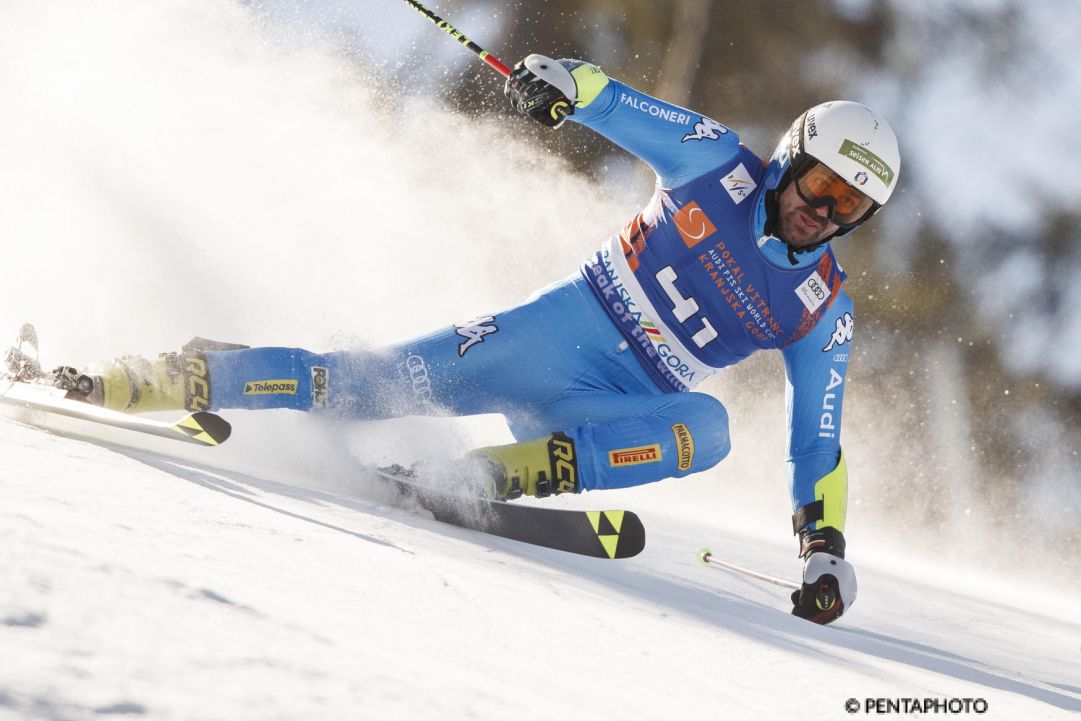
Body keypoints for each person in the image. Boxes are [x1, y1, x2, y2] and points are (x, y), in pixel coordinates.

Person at [52, 55, 900, 625]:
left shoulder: (821, 309)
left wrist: (822, 550)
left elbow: (815, 440)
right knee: (353, 385)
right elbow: (614, 102)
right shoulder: (714, 163)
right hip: (541, 340)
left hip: (599, 411)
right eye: (820, 184)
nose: (822, 212)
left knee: (707, 430)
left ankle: (489, 476)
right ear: (790, 158)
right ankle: (151, 378)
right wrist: (560, 84)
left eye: (849, 206)